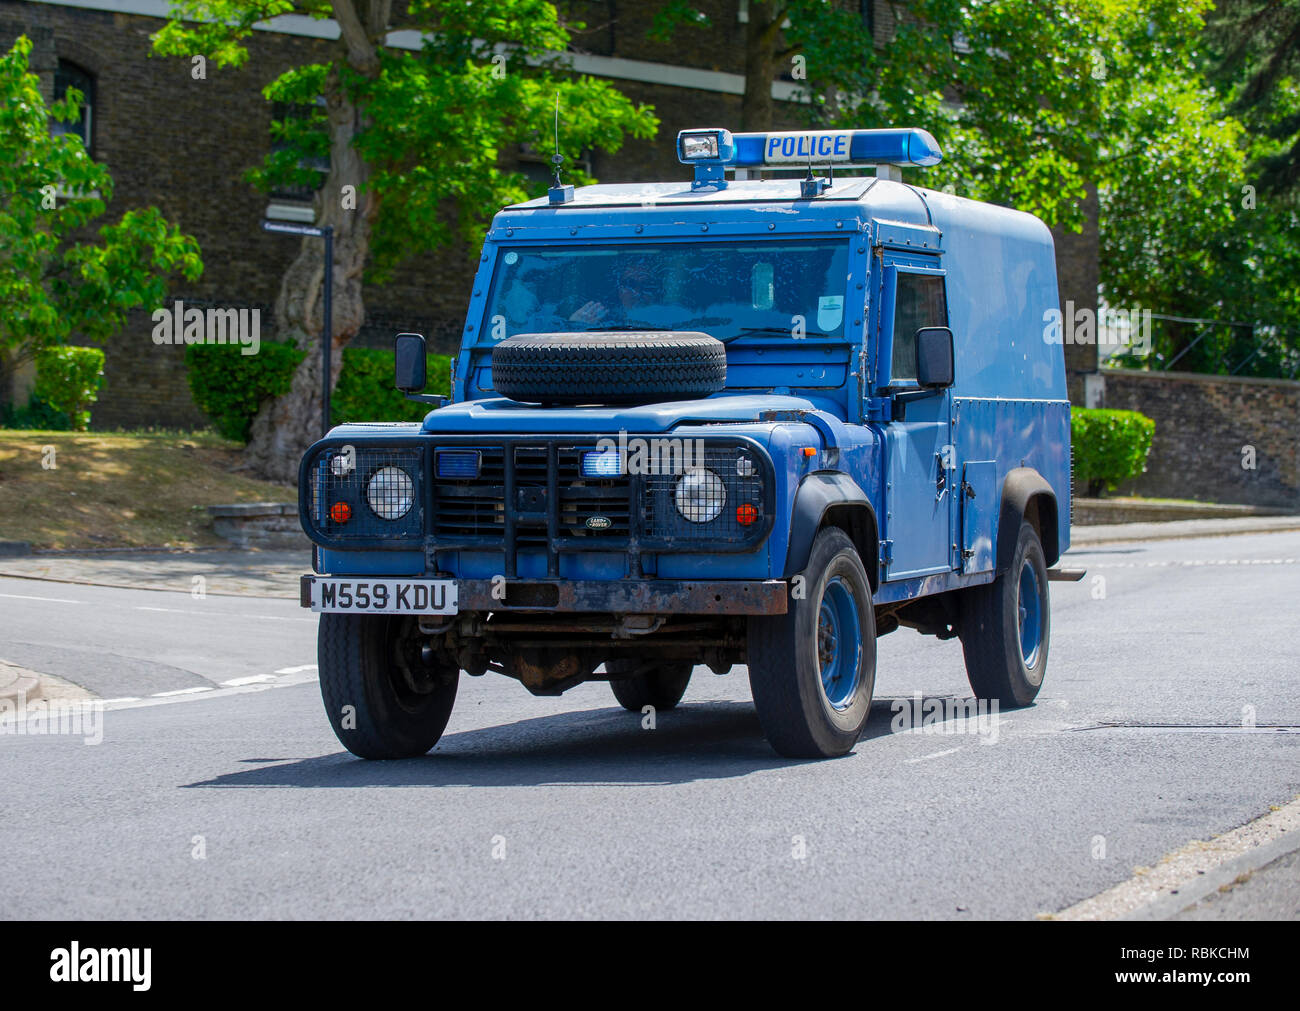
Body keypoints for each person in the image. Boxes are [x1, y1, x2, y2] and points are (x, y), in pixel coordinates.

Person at [569, 259, 658, 324]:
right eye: (630, 284)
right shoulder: (602, 323)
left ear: (655, 290)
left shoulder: (668, 322)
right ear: (619, 290)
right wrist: (576, 325)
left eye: (646, 285)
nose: (637, 292)